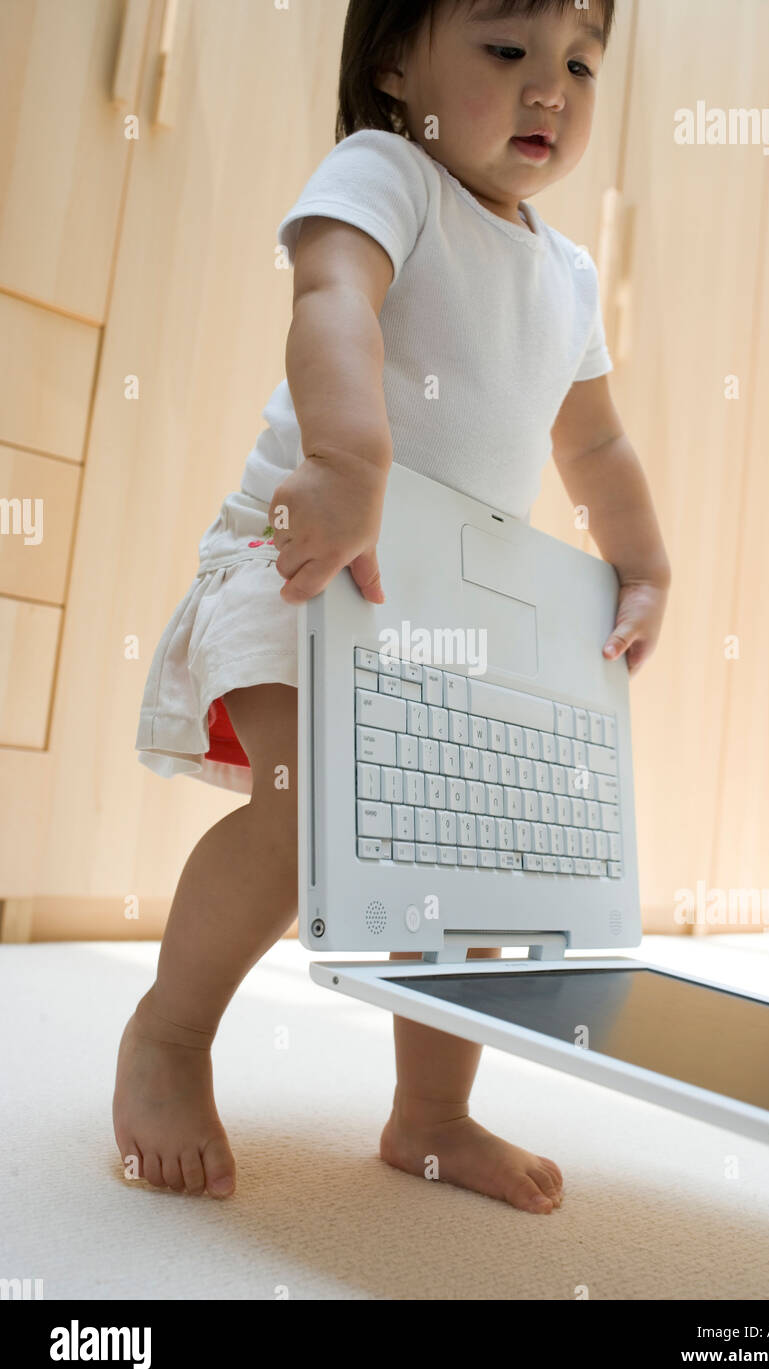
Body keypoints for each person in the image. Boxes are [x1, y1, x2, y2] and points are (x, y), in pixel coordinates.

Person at [115, 0, 670, 1214]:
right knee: (302, 809)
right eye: (504, 50)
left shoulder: (564, 276)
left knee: (468, 872)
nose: (549, 90)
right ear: (393, 65)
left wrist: (639, 562)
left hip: (435, 612)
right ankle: (168, 1035)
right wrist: (350, 460)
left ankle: (430, 1114)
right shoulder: (386, 176)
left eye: (578, 63)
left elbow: (599, 443)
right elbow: (331, 303)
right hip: (302, 551)